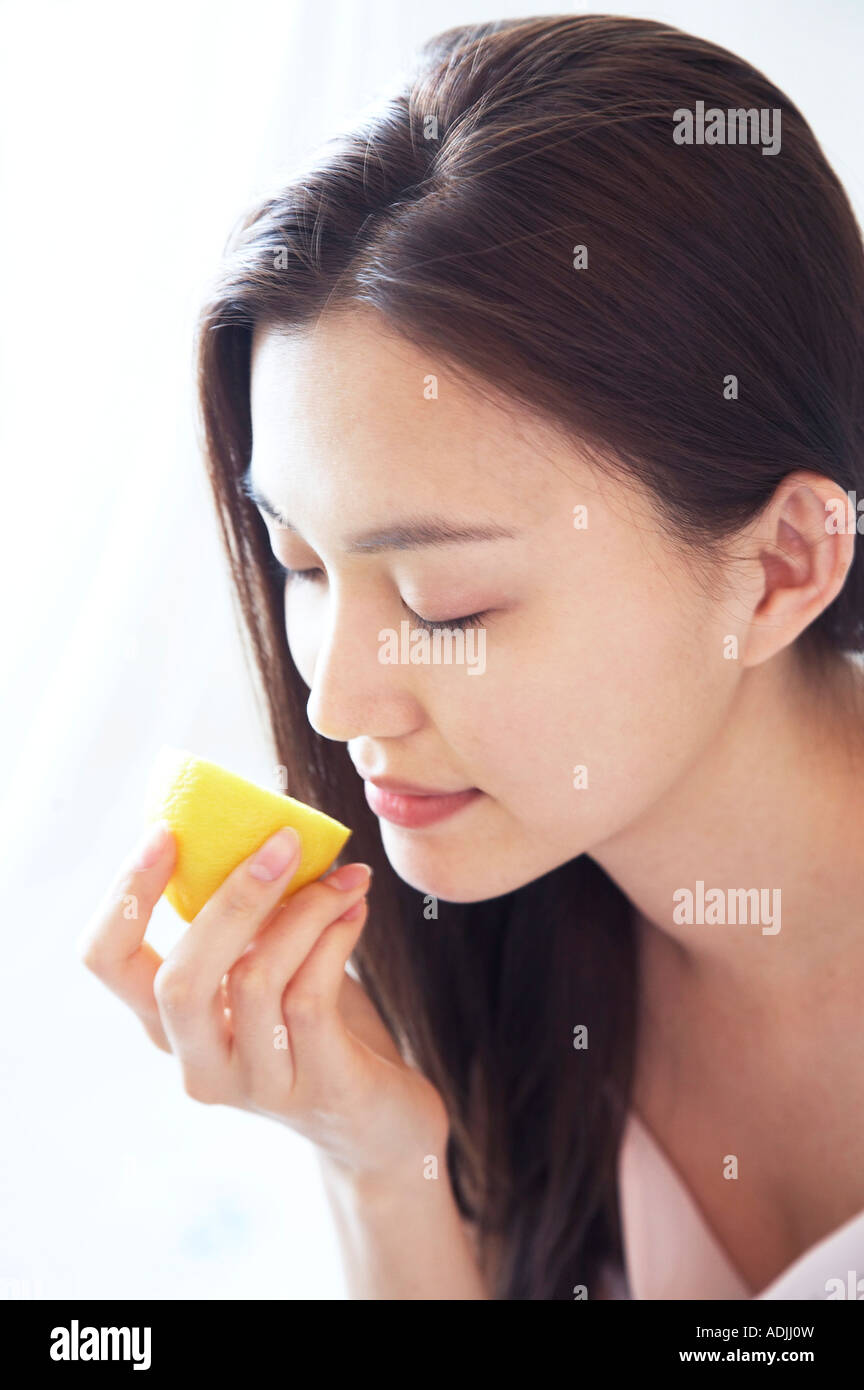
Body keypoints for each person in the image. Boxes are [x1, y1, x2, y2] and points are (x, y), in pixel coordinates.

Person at [80, 15, 864, 1300]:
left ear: (781, 565)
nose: (334, 702)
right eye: (304, 566)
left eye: (448, 602)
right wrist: (380, 1167)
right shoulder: (478, 942)